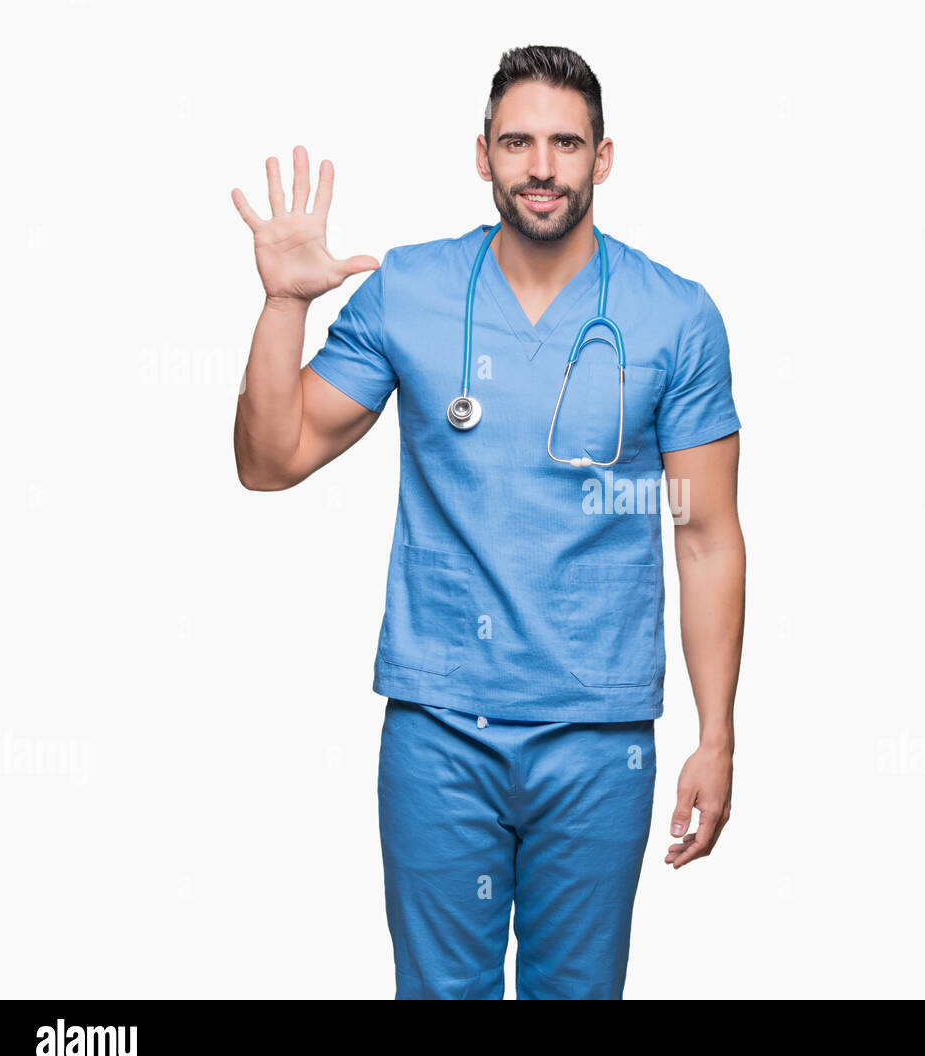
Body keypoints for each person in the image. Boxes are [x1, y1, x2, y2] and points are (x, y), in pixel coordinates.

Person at [230, 44, 745, 1000]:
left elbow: (706, 532)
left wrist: (716, 734)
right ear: (482, 155)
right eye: (518, 142)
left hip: (600, 737)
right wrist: (283, 307)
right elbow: (270, 461)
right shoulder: (410, 292)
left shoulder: (675, 316)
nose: (541, 166)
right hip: (438, 732)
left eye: (564, 143)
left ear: (603, 157)